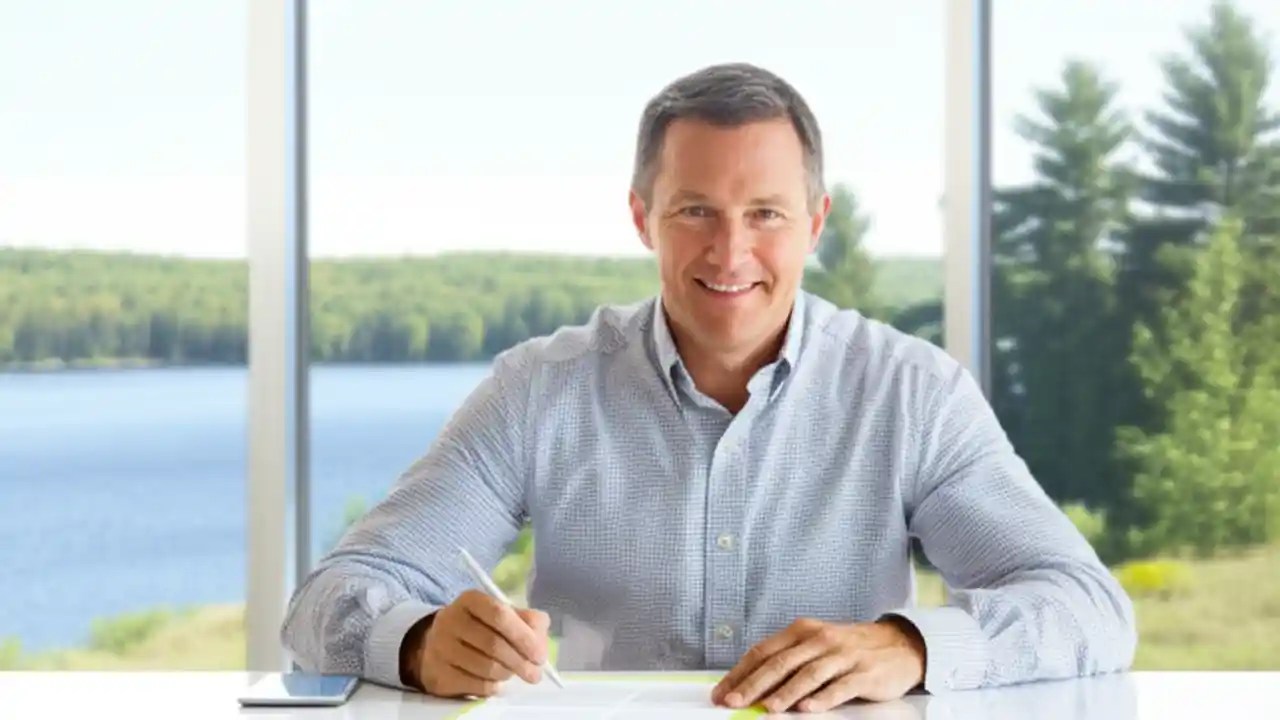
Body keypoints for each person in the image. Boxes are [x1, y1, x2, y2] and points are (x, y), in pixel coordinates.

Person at [281, 62, 1136, 714]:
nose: (730, 255)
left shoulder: (911, 394)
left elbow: (1089, 609)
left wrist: (912, 646)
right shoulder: (539, 391)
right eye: (695, 211)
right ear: (641, 217)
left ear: (816, 223)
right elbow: (326, 601)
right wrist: (420, 640)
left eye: (765, 212)